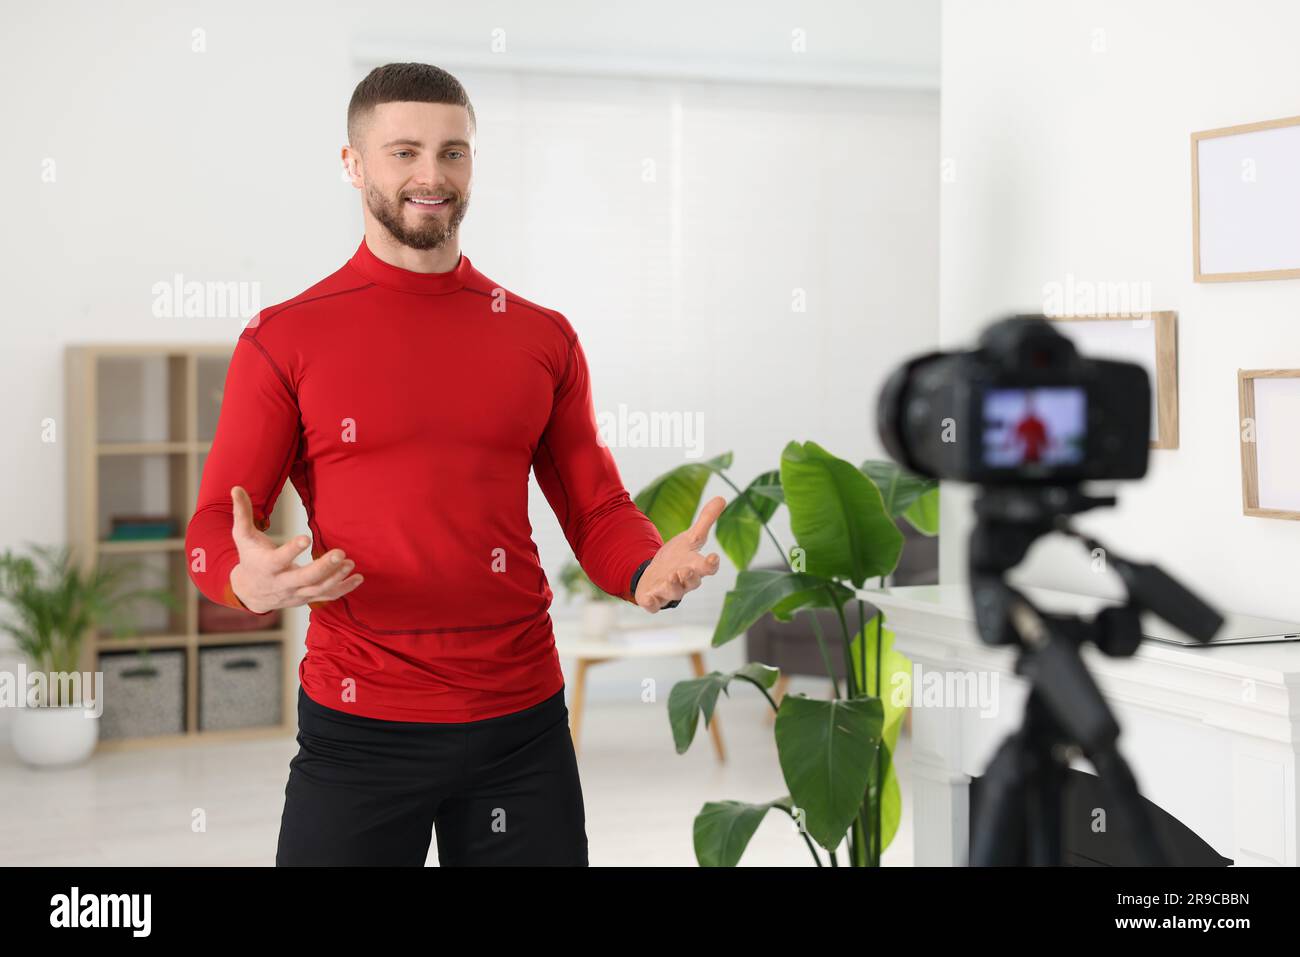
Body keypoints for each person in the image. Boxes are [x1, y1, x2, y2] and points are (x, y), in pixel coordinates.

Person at [184, 62, 723, 866]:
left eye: (454, 152)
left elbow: (596, 508)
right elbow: (210, 531)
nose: (431, 176)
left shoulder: (540, 336)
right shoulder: (284, 338)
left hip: (521, 726)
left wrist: (645, 566)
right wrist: (242, 578)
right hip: (360, 728)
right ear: (353, 163)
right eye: (403, 152)